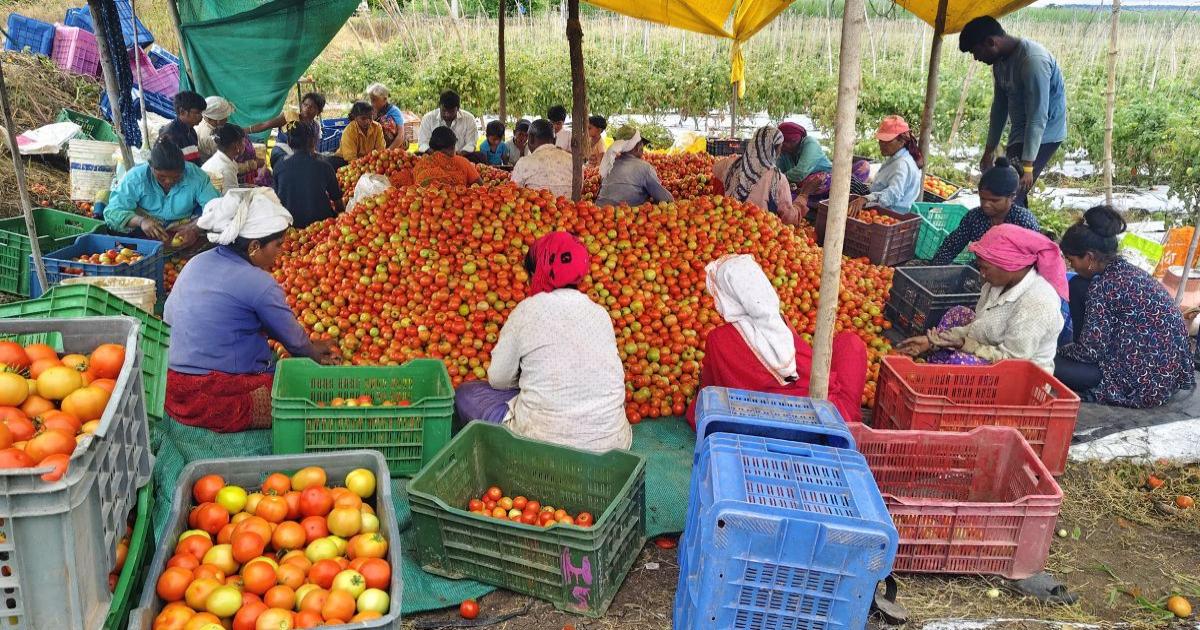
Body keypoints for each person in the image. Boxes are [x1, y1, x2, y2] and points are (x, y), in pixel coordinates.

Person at [164, 189, 335, 432]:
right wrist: (316, 356)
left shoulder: (196, 262)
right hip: (212, 392)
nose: (281, 252)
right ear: (254, 246)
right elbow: (295, 342)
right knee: (292, 391)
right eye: (277, 245)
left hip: (173, 386)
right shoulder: (259, 282)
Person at [454, 232, 630, 452]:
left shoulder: (527, 311)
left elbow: (498, 379)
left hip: (541, 445)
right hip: (613, 446)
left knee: (466, 394)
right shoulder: (600, 314)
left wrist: (524, 377)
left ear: (537, 273)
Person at [686, 254, 867, 426]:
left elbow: (710, 390)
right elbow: (818, 380)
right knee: (850, 343)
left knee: (698, 409)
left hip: (753, 423)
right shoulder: (779, 326)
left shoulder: (718, 339)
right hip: (820, 421)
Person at [1056, 206, 1194, 407]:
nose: (1071, 266)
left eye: (1071, 260)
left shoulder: (1103, 286)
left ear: (1090, 257)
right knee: (1077, 284)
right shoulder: (1128, 272)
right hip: (1166, 376)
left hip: (1141, 383)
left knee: (1042, 362)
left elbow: (1091, 352)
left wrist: (1062, 350)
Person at [897, 224, 1066, 371]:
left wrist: (965, 345)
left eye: (985, 268)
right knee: (959, 313)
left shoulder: (1037, 303)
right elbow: (980, 324)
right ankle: (937, 361)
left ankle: (945, 369)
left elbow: (1013, 362)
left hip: (1019, 374)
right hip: (991, 345)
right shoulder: (995, 284)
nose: (982, 276)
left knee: (959, 363)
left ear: (1010, 265)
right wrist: (933, 341)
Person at [960, 16, 1067, 208]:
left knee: (1010, 192)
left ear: (991, 42)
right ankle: (1015, 231)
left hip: (1045, 132)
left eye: (976, 52)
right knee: (1006, 187)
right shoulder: (999, 63)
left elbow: (1038, 116)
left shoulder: (1033, 61)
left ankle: (1014, 234)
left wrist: (1028, 166)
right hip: (1021, 128)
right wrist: (989, 151)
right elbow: (999, 108)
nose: (976, 58)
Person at [105, 140, 219, 246]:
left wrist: (194, 228)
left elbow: (217, 208)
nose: (168, 181)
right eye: (161, 176)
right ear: (151, 167)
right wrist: (141, 221)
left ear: (184, 169)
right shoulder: (136, 177)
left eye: (176, 177)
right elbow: (112, 212)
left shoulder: (196, 176)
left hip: (184, 228)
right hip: (143, 231)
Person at [931, 158, 1040, 264]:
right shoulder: (974, 217)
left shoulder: (1024, 222)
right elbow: (951, 246)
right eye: (983, 198)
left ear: (1012, 197)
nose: (986, 205)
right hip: (983, 269)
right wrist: (934, 270)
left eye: (994, 200)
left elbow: (1035, 260)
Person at [777, 122, 870, 217]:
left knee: (862, 166)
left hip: (827, 179)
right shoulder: (783, 151)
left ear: (797, 139)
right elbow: (778, 176)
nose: (786, 145)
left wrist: (785, 179)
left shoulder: (809, 142)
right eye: (784, 142)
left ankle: (852, 186)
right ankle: (815, 204)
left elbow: (800, 172)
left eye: (791, 141)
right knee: (784, 197)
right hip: (804, 187)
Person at [712, 125, 797, 225]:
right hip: (759, 233)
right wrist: (804, 196)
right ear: (775, 149)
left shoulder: (732, 163)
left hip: (728, 225)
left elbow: (714, 169)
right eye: (780, 147)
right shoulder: (778, 178)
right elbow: (789, 219)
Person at [272, 121, 344, 229]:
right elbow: (337, 201)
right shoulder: (324, 165)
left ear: (289, 142)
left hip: (291, 225)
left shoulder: (279, 166)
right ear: (313, 142)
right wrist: (342, 214)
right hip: (321, 226)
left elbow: (277, 198)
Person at [595, 125, 673, 207]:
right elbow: (666, 199)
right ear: (637, 147)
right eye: (642, 145)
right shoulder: (645, 168)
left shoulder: (608, 164)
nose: (642, 148)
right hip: (625, 216)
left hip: (597, 214)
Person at [197, 96, 262, 185]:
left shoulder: (204, 122)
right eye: (224, 117)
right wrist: (252, 164)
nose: (227, 119)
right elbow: (232, 164)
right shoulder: (211, 138)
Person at [865, 115, 922, 214]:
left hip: (887, 214)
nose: (881, 144)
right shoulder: (897, 158)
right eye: (881, 140)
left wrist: (866, 199)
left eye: (887, 141)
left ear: (901, 141)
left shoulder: (902, 164)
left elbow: (894, 194)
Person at [248, 92, 326, 160]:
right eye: (305, 104)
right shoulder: (290, 116)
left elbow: (312, 149)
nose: (307, 108)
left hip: (301, 158)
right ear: (301, 105)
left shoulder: (315, 126)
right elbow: (265, 125)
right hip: (281, 154)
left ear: (319, 112)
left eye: (312, 107)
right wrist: (244, 130)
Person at [511, 119, 573, 198]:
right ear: (554, 140)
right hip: (570, 208)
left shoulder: (524, 163)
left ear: (531, 139)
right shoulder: (572, 161)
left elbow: (513, 191)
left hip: (535, 208)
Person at [411, 127, 483, 187]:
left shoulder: (420, 165)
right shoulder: (462, 162)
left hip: (425, 202)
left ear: (432, 148)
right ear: (452, 147)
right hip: (459, 203)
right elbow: (481, 186)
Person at [160, 90, 207, 165]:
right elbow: (169, 168)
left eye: (201, 113)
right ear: (182, 111)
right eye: (197, 112)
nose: (201, 116)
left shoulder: (191, 131)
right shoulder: (170, 136)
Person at [336, 101, 385, 167]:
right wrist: (365, 167)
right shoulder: (349, 131)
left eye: (370, 117)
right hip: (345, 161)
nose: (367, 121)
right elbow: (351, 159)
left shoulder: (377, 127)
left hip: (368, 162)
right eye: (363, 118)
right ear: (355, 117)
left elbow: (380, 150)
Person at [201, 124, 246, 194]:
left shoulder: (220, 159)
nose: (245, 144)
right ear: (236, 145)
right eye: (243, 141)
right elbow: (231, 199)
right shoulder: (225, 169)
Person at [365, 83, 406, 149]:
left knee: (385, 120)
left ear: (385, 99)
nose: (372, 103)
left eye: (375, 100)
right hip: (377, 146)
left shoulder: (394, 111)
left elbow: (401, 135)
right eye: (371, 100)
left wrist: (388, 151)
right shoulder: (371, 111)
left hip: (394, 147)